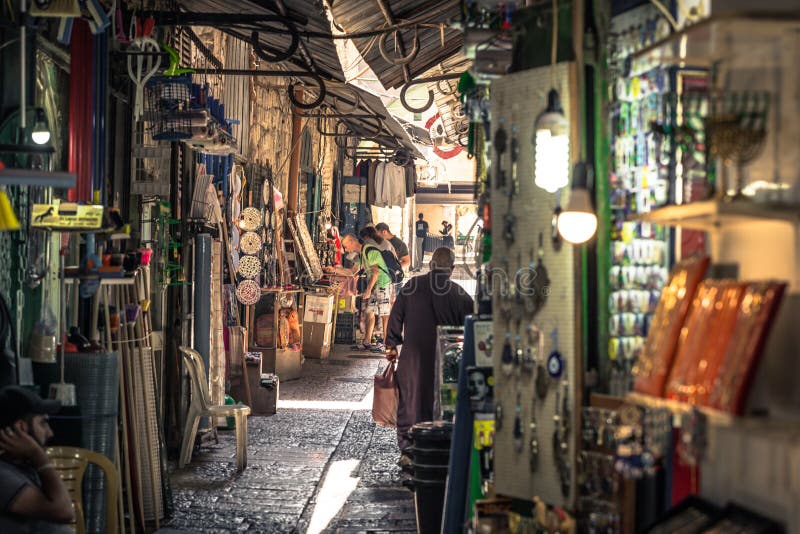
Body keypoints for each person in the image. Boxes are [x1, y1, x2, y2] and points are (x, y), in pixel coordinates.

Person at [385, 247, 474, 459]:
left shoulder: (411, 286)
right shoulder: (459, 294)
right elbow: (474, 328)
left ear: (432, 264)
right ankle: (442, 450)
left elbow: (395, 317)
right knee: (444, 404)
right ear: (451, 268)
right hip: (447, 362)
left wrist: (391, 345)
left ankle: (409, 450)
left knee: (411, 403)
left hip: (413, 359)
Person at [0, 386, 75, 533]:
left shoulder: (22, 466)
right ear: (21, 428)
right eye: (43, 423)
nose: (50, 433)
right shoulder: (2, 475)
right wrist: (38, 455)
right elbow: (64, 511)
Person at [324, 233, 392, 352]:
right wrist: (334, 269)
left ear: (351, 242)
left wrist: (368, 289)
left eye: (345, 247)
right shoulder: (362, 254)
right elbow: (352, 272)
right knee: (369, 312)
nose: (345, 250)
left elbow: (375, 273)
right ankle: (366, 342)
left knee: (385, 314)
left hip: (382, 284)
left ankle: (387, 345)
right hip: (374, 284)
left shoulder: (369, 251)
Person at [375, 223, 411, 299]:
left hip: (394, 280)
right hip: (382, 280)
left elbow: (407, 262)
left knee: (393, 305)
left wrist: (393, 268)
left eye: (378, 234)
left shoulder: (400, 244)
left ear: (384, 232)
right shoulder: (379, 243)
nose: (376, 237)